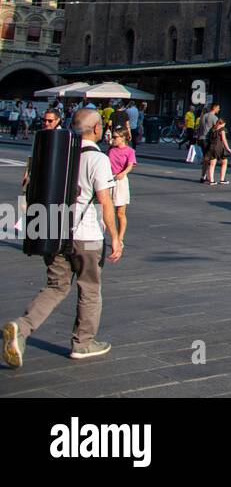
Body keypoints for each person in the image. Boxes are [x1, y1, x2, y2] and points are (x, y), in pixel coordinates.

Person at [2, 108, 123, 368]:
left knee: (56, 287)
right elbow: (105, 201)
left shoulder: (58, 152)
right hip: (87, 235)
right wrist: (115, 236)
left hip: (54, 230)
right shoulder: (98, 159)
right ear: (97, 129)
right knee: (89, 288)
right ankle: (83, 343)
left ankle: (21, 328)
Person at [107, 126, 136, 243]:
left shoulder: (130, 151)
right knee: (106, 210)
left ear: (123, 138)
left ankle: (120, 238)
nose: (113, 139)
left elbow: (131, 165)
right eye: (112, 137)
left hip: (120, 181)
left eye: (115, 137)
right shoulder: (111, 150)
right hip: (109, 179)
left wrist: (123, 173)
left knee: (120, 213)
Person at [202, 117, 231, 185]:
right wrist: (228, 148)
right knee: (224, 162)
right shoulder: (222, 130)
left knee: (212, 164)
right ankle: (222, 179)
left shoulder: (213, 129)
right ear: (223, 123)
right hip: (219, 148)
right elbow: (224, 140)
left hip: (212, 148)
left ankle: (211, 181)